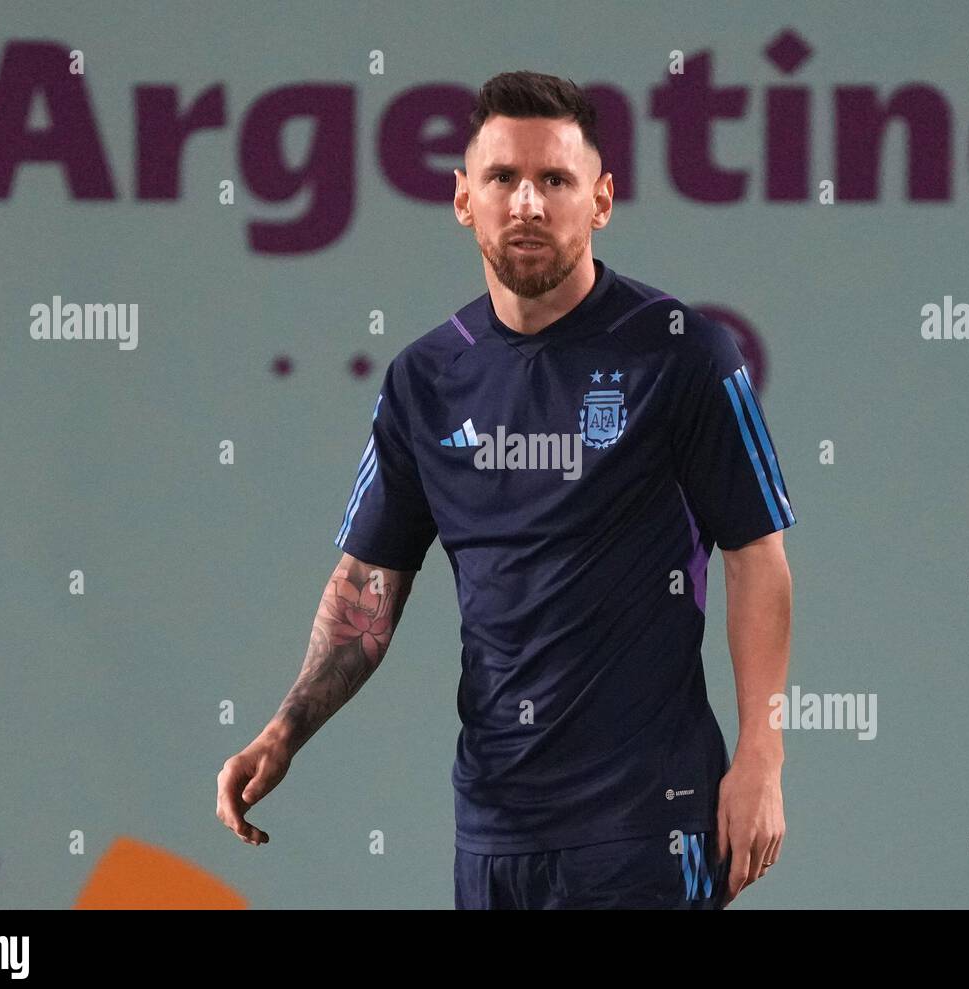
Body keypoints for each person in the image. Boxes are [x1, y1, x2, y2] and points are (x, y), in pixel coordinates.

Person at [216, 70, 796, 910]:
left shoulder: (684, 355)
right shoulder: (425, 380)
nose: (528, 203)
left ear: (600, 201)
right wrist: (286, 727)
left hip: (650, 825)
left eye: (555, 180)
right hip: (494, 835)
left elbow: (758, 556)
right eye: (502, 179)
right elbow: (368, 584)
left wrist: (762, 758)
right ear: (463, 201)